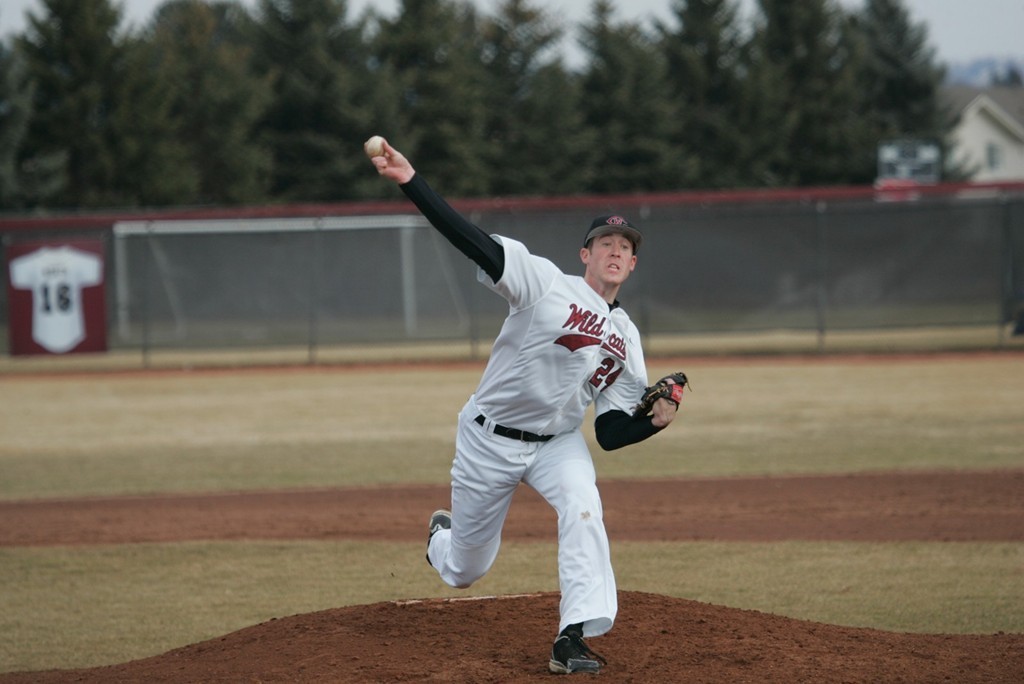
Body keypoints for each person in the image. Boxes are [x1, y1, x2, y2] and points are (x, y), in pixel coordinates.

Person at [368, 138, 683, 675]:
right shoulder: (544, 285)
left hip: (557, 442)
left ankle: (572, 638)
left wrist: (652, 422)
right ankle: (440, 539)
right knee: (466, 570)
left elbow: (607, 431)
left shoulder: (626, 339)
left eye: (624, 246)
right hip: (489, 438)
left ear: (632, 264)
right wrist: (411, 181)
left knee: (584, 509)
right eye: (604, 240)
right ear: (585, 254)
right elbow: (471, 240)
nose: (614, 250)